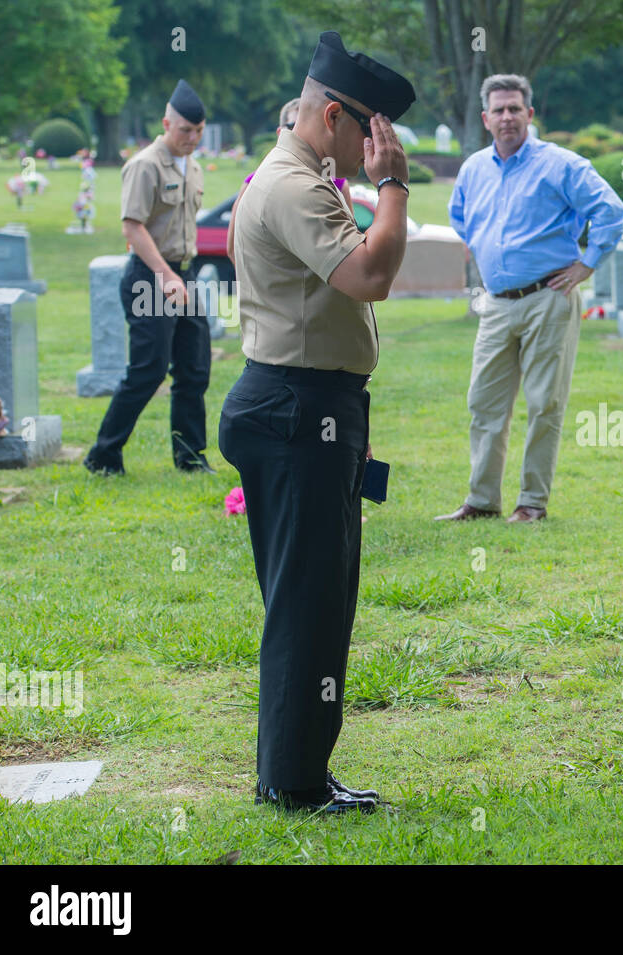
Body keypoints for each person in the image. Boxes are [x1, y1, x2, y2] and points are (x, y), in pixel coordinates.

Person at [217, 31, 415, 814]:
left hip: (307, 406)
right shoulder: (294, 186)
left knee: (315, 600)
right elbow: (369, 275)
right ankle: (293, 783)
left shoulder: (298, 173)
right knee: (308, 605)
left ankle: (295, 768)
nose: (376, 147)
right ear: (331, 115)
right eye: (369, 131)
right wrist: (393, 186)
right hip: (298, 409)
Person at [437, 74, 623, 524]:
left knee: (544, 403)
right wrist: (492, 254)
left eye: (514, 108)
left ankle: (531, 503)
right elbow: (460, 218)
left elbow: (611, 211)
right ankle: (482, 501)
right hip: (497, 303)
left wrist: (587, 263)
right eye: (498, 110)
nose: (507, 117)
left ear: (530, 114)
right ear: (485, 118)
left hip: (549, 296)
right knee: (484, 402)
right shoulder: (473, 169)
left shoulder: (561, 165)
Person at [83, 79, 213, 476]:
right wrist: (164, 276)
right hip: (150, 278)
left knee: (194, 368)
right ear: (166, 124)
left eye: (198, 131)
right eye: (185, 130)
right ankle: (103, 455)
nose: (192, 138)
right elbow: (133, 227)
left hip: (185, 275)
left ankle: (190, 457)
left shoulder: (194, 167)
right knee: (149, 371)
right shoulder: (144, 165)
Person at [226, 97, 354, 261]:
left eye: (310, 125)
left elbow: (350, 246)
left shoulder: (337, 183)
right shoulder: (255, 181)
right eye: (294, 126)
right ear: (281, 133)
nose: (302, 133)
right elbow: (233, 248)